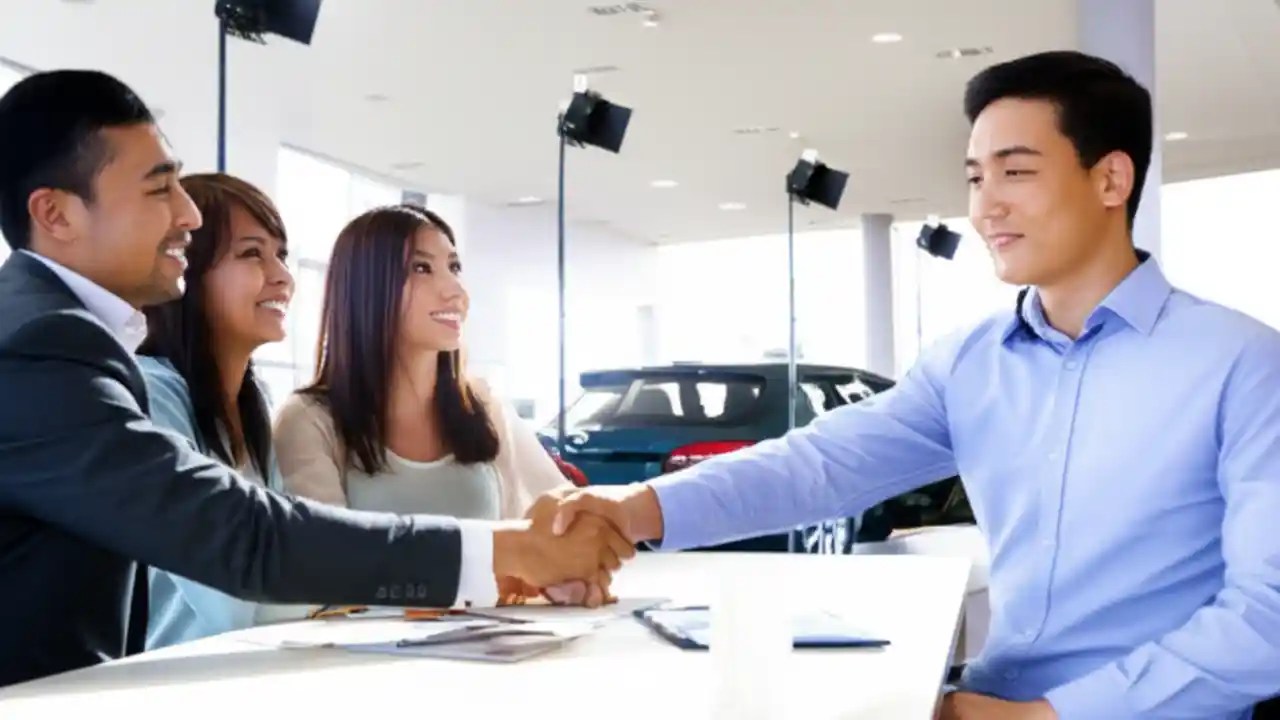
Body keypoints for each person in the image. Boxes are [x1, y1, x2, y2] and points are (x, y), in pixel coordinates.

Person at [543, 50, 1280, 720]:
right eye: (975, 176)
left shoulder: (1241, 365)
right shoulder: (969, 363)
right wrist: (631, 509)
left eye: (1016, 172)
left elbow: (1266, 618)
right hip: (985, 695)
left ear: (1111, 178)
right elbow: (819, 466)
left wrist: (1045, 719)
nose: (984, 206)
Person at [0, 69, 632, 688]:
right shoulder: (39, 346)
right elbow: (244, 538)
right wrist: (508, 554)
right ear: (56, 215)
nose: (188, 214)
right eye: (159, 189)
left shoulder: (67, 337)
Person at [272, 204, 600, 605]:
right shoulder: (309, 421)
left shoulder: (484, 407)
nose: (455, 292)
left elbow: (565, 513)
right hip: (365, 657)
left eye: (455, 267)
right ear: (366, 287)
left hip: (495, 647)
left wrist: (571, 571)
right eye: (422, 269)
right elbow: (324, 568)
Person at [134, 172, 295, 648]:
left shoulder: (251, 403)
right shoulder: (149, 392)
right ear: (189, 272)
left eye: (281, 255)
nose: (283, 276)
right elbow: (226, 599)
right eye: (252, 254)